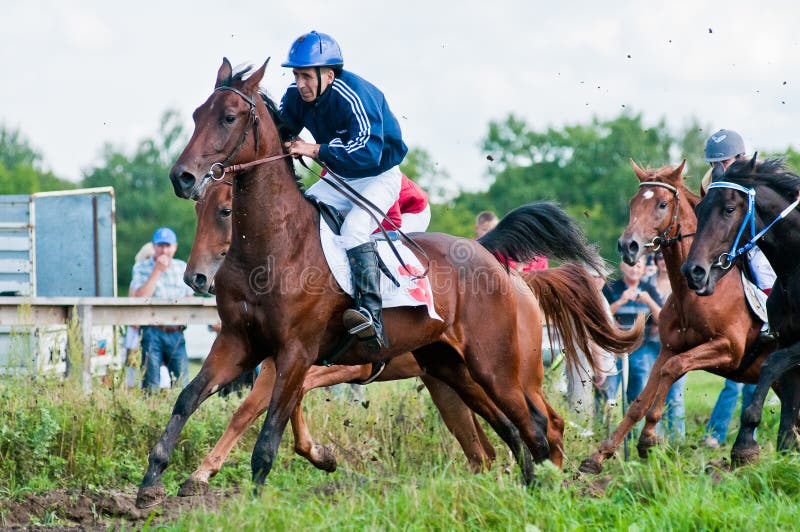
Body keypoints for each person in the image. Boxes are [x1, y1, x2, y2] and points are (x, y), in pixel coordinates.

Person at [280, 30, 407, 352]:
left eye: (306, 76)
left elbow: (367, 154)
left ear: (329, 75)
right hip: (340, 178)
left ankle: (371, 316)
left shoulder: (355, 95)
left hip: (377, 177)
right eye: (296, 75)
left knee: (354, 230)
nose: (300, 84)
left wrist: (314, 149)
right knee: (302, 219)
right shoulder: (297, 96)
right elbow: (281, 131)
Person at [700, 129, 765, 448]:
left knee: (765, 273)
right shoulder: (709, 181)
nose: (718, 168)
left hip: (758, 242)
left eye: (722, 161)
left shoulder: (757, 174)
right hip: (730, 248)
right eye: (714, 162)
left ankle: (770, 319)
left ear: (739, 157)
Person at [600, 258, 663, 432]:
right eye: (630, 265)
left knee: (639, 395)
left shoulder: (648, 289)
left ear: (643, 270)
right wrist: (620, 301)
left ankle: (635, 436)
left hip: (640, 350)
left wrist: (649, 301)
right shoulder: (611, 288)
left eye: (638, 266)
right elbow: (599, 315)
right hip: (614, 350)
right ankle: (604, 433)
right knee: (608, 394)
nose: (634, 269)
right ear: (622, 266)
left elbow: (662, 319)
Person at [130, 227, 194, 392]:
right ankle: (151, 413)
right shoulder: (141, 267)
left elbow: (190, 299)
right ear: (153, 246)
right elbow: (139, 298)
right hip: (151, 330)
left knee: (181, 383)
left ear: (175, 247)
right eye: (160, 246)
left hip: (176, 332)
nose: (164, 250)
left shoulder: (182, 268)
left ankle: (178, 415)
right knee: (151, 384)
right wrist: (156, 271)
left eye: (168, 245)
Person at [647, 252, 686, 440]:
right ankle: (656, 434)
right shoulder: (647, 281)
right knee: (652, 391)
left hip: (675, 345)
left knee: (675, 394)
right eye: (659, 259)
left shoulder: (680, 283)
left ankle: (678, 437)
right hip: (651, 343)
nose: (663, 261)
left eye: (665, 258)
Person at [474, 210, 548, 270]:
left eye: (494, 230)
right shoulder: (472, 248)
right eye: (485, 229)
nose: (490, 234)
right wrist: (518, 269)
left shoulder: (541, 257)